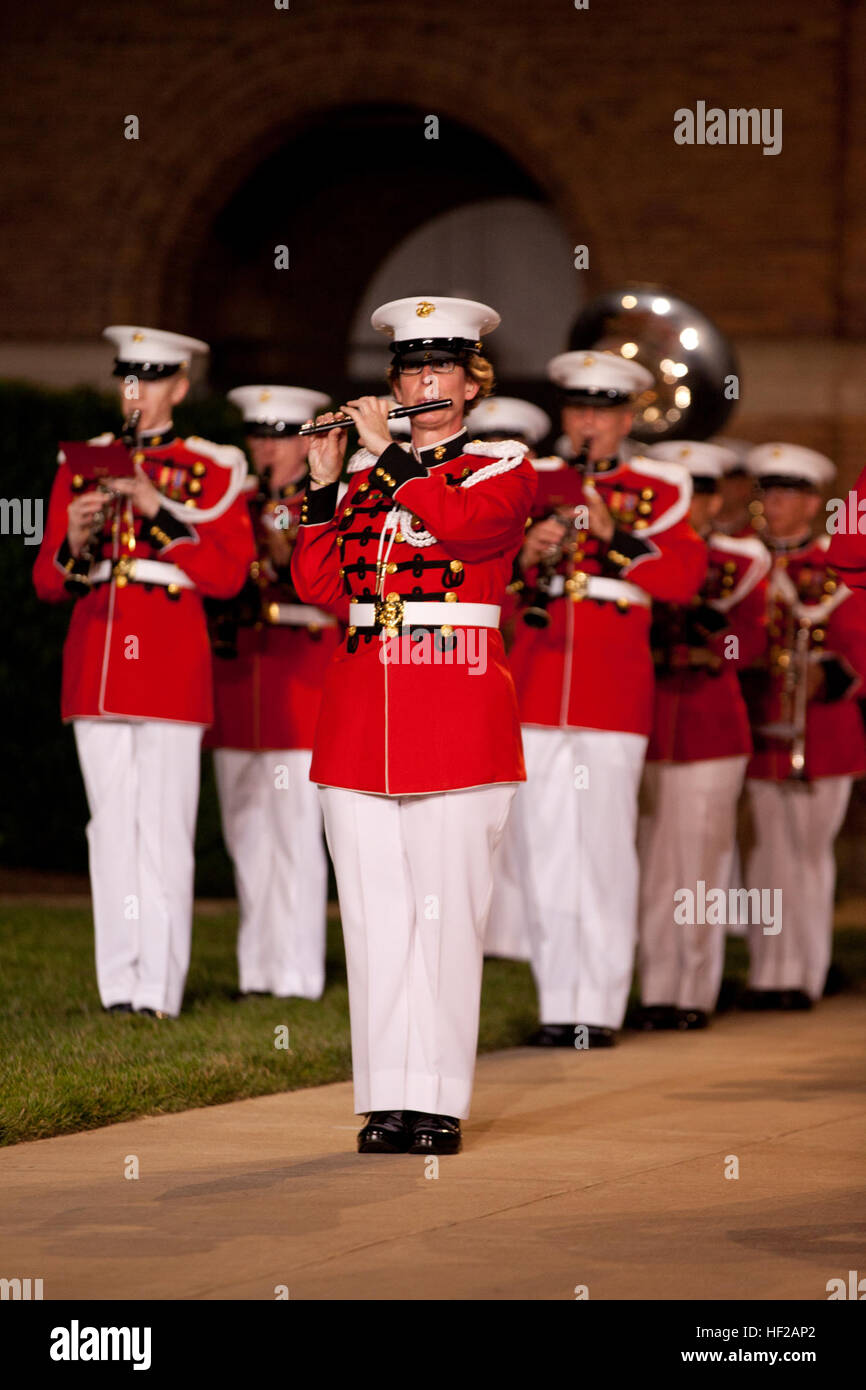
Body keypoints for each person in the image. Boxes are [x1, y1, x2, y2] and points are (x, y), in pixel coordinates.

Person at [291, 296, 536, 1154]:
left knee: (445, 915)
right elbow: (324, 590)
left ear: (472, 384)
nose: (423, 381)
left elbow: (469, 530)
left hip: (457, 702)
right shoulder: (364, 478)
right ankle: (388, 1097)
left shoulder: (502, 464)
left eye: (441, 369)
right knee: (373, 917)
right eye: (409, 370)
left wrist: (388, 456)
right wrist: (321, 490)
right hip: (361, 710)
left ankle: (437, 1100)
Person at [34, 326, 254, 1018]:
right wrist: (73, 540)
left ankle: (159, 989)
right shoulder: (84, 462)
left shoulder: (212, 468)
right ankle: (120, 984)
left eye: (151, 379)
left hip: (166, 664)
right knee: (112, 827)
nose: (136, 392)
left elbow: (225, 575)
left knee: (161, 828)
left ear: (180, 387)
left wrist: (159, 516)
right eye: (126, 378)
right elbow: (46, 579)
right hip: (96, 662)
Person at [498, 351, 707, 1047]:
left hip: (611, 689)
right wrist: (529, 551)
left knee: (605, 849)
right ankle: (561, 1004)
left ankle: (601, 1006)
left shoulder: (660, 485)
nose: (590, 423)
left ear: (626, 418)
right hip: (533, 682)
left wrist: (615, 538)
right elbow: (489, 579)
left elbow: (682, 579)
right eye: (579, 409)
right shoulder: (532, 481)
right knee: (541, 849)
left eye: (604, 411)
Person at [205, 384, 337, 999]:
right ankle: (258, 969)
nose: (265, 448)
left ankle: (300, 972)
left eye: (279, 438)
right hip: (241, 679)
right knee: (246, 832)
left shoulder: (322, 502)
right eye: (258, 436)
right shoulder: (235, 502)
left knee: (294, 832)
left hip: (302, 676)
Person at [634, 441, 770, 1030]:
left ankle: (692, 991)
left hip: (711, 727)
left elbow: (751, 646)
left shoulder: (744, 560)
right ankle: (655, 990)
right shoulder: (641, 555)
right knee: (651, 864)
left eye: (704, 491)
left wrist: (711, 638)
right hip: (648, 721)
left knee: (699, 867)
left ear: (715, 500)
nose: (693, 503)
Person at [739, 443, 866, 1009]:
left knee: (809, 854)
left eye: (789, 493)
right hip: (763, 728)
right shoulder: (744, 562)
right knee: (769, 853)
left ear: (814, 503)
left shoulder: (834, 568)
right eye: (768, 491)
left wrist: (829, 672)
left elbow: (859, 642)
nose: (776, 502)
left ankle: (806, 973)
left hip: (826, 732)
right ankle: (770, 973)